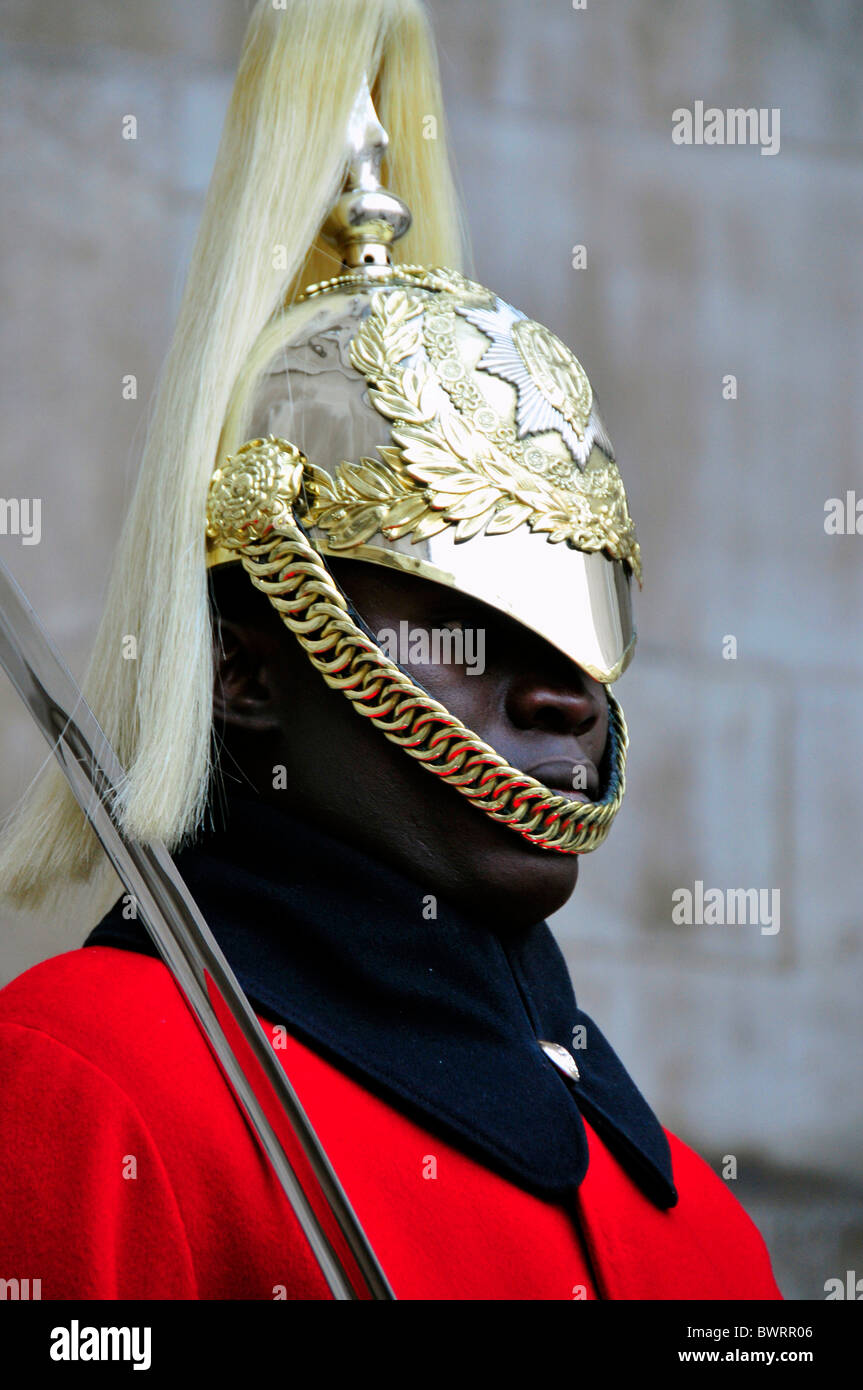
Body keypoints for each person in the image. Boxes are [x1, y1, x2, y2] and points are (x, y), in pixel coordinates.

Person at [0, 0, 781, 1300]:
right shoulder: (90, 1087)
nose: (562, 692)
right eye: (467, 619)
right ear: (250, 674)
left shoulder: (706, 1229)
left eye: (574, 620)